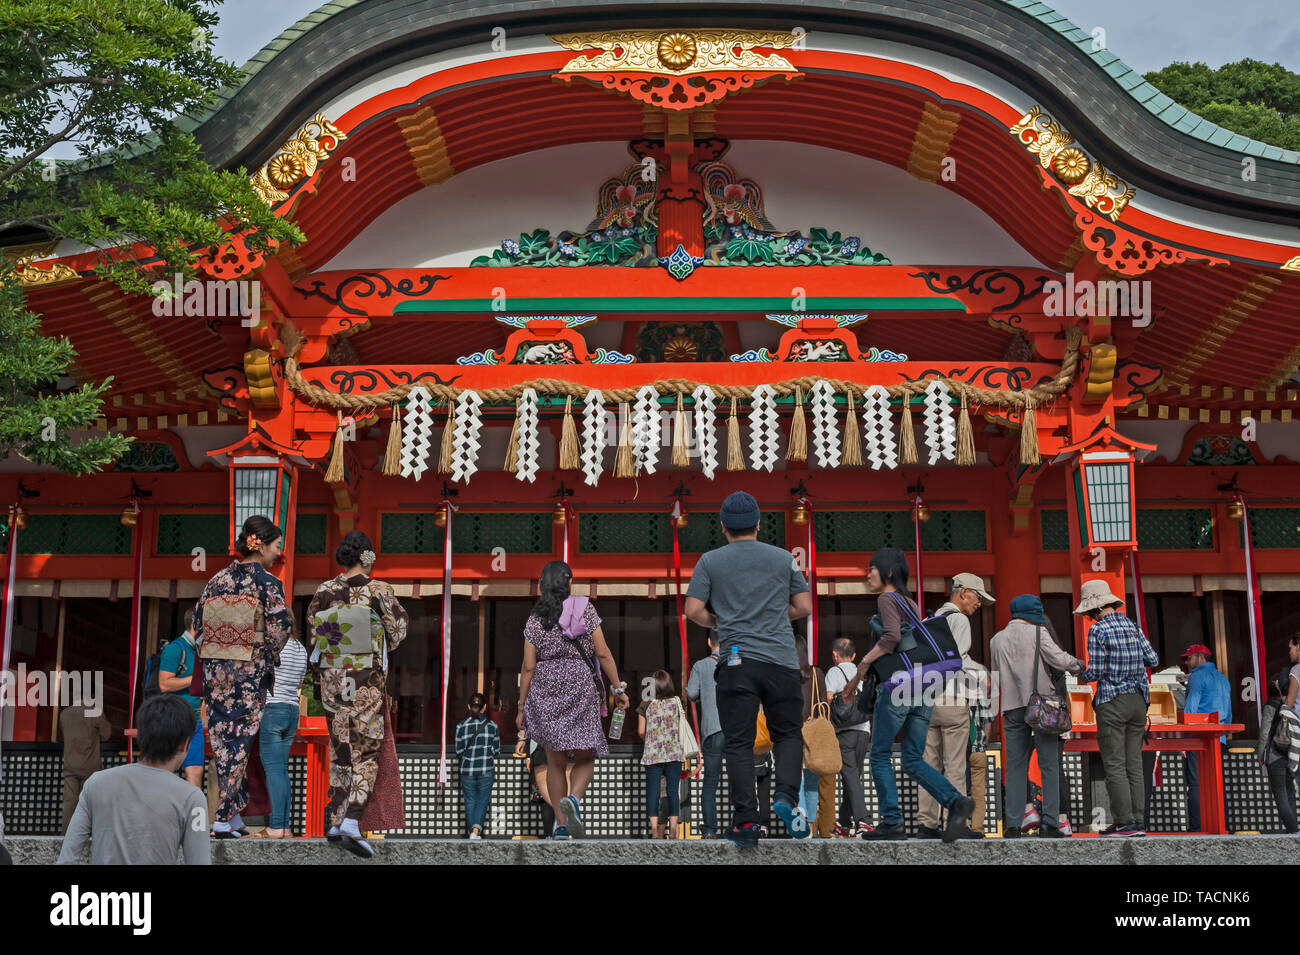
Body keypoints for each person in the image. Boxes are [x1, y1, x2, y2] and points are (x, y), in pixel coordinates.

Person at [683, 491, 814, 848]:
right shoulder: (783, 558)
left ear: (723, 526)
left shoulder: (710, 561)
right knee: (787, 733)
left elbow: (693, 610)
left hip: (737, 660)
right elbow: (803, 606)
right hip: (781, 661)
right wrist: (769, 617)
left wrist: (723, 621)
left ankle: (745, 823)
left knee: (738, 742)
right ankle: (786, 798)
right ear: (758, 524)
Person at [839, 548, 976, 842]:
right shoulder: (911, 602)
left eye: (871, 569)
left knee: (879, 755)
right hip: (923, 688)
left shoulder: (886, 598)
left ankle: (892, 821)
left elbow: (891, 637)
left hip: (899, 686)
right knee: (913, 758)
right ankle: (955, 801)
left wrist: (863, 664)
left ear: (887, 573)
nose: (867, 574)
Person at [307, 529, 409, 859]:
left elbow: (313, 638)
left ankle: (335, 819)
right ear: (368, 557)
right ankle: (352, 819)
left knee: (341, 748)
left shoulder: (324, 591)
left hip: (333, 679)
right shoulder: (379, 590)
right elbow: (396, 632)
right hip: (366, 678)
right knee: (367, 748)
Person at [195, 515, 293, 840]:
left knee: (224, 744)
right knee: (240, 743)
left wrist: (215, 660)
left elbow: (199, 627)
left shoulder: (215, 581)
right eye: (277, 546)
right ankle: (222, 818)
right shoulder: (267, 583)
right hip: (247, 674)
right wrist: (263, 656)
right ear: (261, 544)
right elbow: (281, 627)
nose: (279, 553)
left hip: (217, 675)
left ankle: (234, 817)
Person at [518, 561, 631, 840]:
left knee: (555, 761)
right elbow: (603, 653)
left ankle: (561, 826)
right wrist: (618, 689)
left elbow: (528, 666)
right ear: (569, 582)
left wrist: (521, 705)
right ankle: (576, 801)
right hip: (580, 683)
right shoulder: (585, 608)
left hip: (545, 687)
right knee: (585, 754)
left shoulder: (535, 617)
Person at [58, 695, 210, 865]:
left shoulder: (96, 783)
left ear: (139, 737)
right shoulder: (192, 797)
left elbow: (66, 859)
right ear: (184, 744)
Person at [989, 595, 1087, 838]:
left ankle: (1012, 825)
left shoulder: (996, 640)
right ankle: (1050, 823)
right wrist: (1081, 665)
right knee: (1049, 765)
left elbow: (995, 678)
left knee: (1015, 766)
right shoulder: (1038, 633)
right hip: (1042, 706)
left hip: (1011, 707)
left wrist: (993, 712)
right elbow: (1059, 659)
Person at [1074, 578, 1158, 837]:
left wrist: (1081, 673)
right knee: (1134, 763)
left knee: (1114, 764)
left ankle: (1124, 822)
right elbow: (1152, 658)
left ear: (1096, 609)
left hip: (1112, 701)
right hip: (1138, 701)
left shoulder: (1098, 631)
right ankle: (1138, 821)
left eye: (1089, 613)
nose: (1089, 617)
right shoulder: (1133, 626)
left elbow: (1096, 671)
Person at [916, 573, 994, 839]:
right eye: (978, 597)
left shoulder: (927, 621)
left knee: (928, 764)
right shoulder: (959, 619)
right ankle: (956, 822)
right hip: (951, 698)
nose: (979, 604)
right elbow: (956, 659)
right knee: (955, 766)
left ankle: (926, 824)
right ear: (963, 592)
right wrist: (982, 671)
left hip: (925, 701)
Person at [256, 617, 308, 838]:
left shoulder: (273, 645)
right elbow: (299, 683)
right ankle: (284, 825)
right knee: (282, 769)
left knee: (274, 770)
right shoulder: (300, 648)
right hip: (292, 709)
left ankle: (276, 826)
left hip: (272, 707)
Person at [1181, 642, 1233, 832]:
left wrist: (1184, 741)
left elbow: (1190, 710)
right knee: (1217, 784)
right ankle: (1222, 826)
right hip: (1219, 739)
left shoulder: (1197, 676)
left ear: (1200, 658)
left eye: (1189, 658)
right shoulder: (1222, 678)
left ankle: (1196, 828)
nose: (1187, 662)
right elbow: (1228, 712)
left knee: (1195, 784)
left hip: (1198, 739)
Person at [825, 637, 872, 838]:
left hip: (844, 732)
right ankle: (844, 824)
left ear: (835, 655)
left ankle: (864, 821)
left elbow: (828, 699)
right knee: (852, 777)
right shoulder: (862, 672)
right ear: (853, 655)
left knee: (850, 776)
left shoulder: (834, 672)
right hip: (863, 730)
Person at [638, 670, 686, 839]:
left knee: (653, 792)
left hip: (653, 753)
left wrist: (651, 739)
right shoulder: (676, 703)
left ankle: (654, 831)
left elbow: (641, 731)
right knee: (673, 792)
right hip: (673, 752)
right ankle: (673, 830)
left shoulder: (646, 703)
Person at [685, 633, 724, 838]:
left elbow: (691, 694)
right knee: (739, 779)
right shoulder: (735, 663)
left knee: (710, 781)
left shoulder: (700, 666)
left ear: (709, 642)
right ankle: (742, 824)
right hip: (736, 730)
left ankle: (709, 829)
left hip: (712, 729)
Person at [158, 609, 202, 786]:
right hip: (174, 718)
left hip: (195, 718)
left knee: (196, 771)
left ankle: (194, 814)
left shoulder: (199, 650)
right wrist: (195, 679)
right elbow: (164, 684)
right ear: (194, 625)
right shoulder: (175, 649)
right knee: (167, 769)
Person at [795, 635, 834, 837]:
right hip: (814, 731)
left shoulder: (786, 673)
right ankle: (810, 824)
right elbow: (822, 703)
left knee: (795, 778)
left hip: (792, 731)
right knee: (811, 780)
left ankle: (800, 822)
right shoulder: (816, 673)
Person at [59, 694, 111, 833]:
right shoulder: (95, 712)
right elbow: (106, 734)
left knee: (69, 804)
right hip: (90, 766)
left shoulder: (65, 713)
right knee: (89, 804)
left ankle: (66, 835)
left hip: (70, 765)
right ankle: (88, 834)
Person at [1258, 666, 1298, 833]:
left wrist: (1260, 755)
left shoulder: (1271, 705)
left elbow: (1264, 733)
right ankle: (1294, 830)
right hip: (1292, 755)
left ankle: (1294, 832)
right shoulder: (1293, 706)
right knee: (1290, 794)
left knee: (1280, 795)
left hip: (1275, 755)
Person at [456, 692, 501, 840]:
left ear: (469, 706)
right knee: (482, 800)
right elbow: (496, 750)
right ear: (485, 707)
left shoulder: (461, 726)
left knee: (470, 800)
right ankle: (475, 832)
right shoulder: (492, 726)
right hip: (486, 769)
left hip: (467, 770)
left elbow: (459, 750)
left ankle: (472, 832)